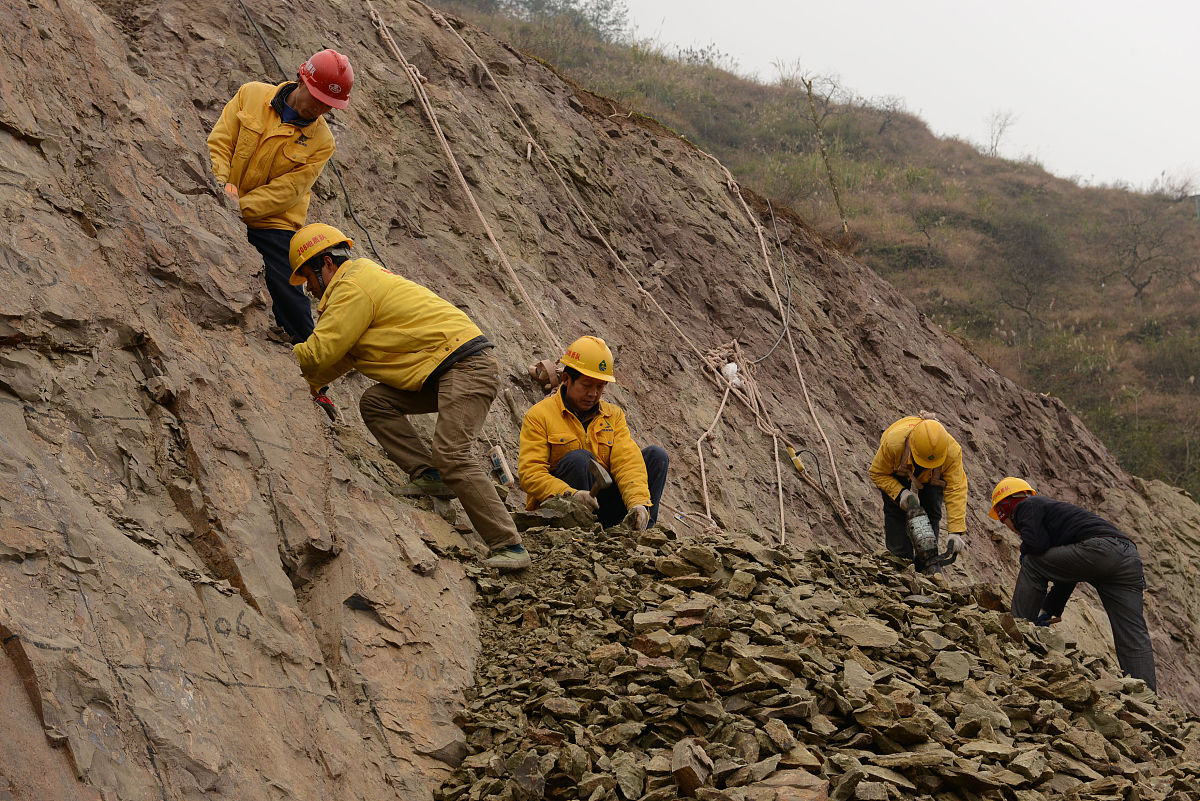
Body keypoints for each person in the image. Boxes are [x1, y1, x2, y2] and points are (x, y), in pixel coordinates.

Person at [288, 223, 530, 571]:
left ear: (326, 263)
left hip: (466, 366)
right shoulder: (357, 287)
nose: (309, 289)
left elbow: (321, 352)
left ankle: (509, 545)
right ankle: (430, 476)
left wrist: (280, 360)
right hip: (445, 368)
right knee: (376, 402)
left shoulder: (353, 286)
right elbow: (342, 357)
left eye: (308, 278)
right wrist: (306, 386)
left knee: (452, 452)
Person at [207, 49, 353, 346]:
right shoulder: (251, 95)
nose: (321, 109)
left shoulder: (322, 142)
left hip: (274, 220)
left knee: (288, 289)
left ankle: (310, 365)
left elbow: (287, 191)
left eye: (329, 105)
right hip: (225, 194)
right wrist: (221, 188)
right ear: (301, 79)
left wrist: (237, 210)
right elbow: (221, 143)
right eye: (318, 98)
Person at [989, 477, 1157, 691]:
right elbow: (1068, 573)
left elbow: (1036, 545)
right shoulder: (1057, 518)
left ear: (1006, 508)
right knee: (1132, 632)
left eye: (1005, 522)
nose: (1013, 530)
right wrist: (1049, 610)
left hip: (1101, 550)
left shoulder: (1025, 505)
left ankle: (1017, 632)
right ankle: (1146, 695)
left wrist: (1024, 553)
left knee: (1031, 562)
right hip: (1128, 557)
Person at [518, 336, 669, 530]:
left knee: (656, 456)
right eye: (587, 385)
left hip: (604, 508)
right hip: (562, 509)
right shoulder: (540, 415)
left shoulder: (612, 416)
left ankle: (642, 532)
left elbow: (627, 461)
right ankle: (583, 534)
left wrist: (638, 503)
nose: (593, 393)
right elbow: (531, 474)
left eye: (600, 387)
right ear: (566, 379)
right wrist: (570, 494)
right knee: (580, 459)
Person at [868, 415, 968, 565]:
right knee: (895, 514)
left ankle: (927, 563)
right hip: (899, 475)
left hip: (932, 480)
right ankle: (900, 561)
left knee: (931, 514)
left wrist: (955, 532)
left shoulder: (952, 452)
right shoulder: (894, 443)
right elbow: (877, 472)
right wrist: (900, 493)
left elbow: (956, 489)